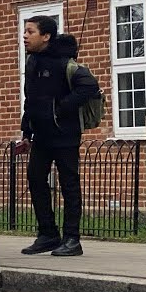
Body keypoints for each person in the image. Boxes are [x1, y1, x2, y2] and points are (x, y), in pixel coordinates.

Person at [17, 15, 98, 257]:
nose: (25, 36)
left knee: (69, 185)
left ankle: (72, 239)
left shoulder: (64, 63)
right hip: (41, 135)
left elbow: (90, 87)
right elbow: (29, 100)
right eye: (24, 31)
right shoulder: (32, 62)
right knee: (35, 179)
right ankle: (48, 234)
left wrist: (61, 108)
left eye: (30, 31)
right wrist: (26, 133)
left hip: (65, 135)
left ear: (46, 36)